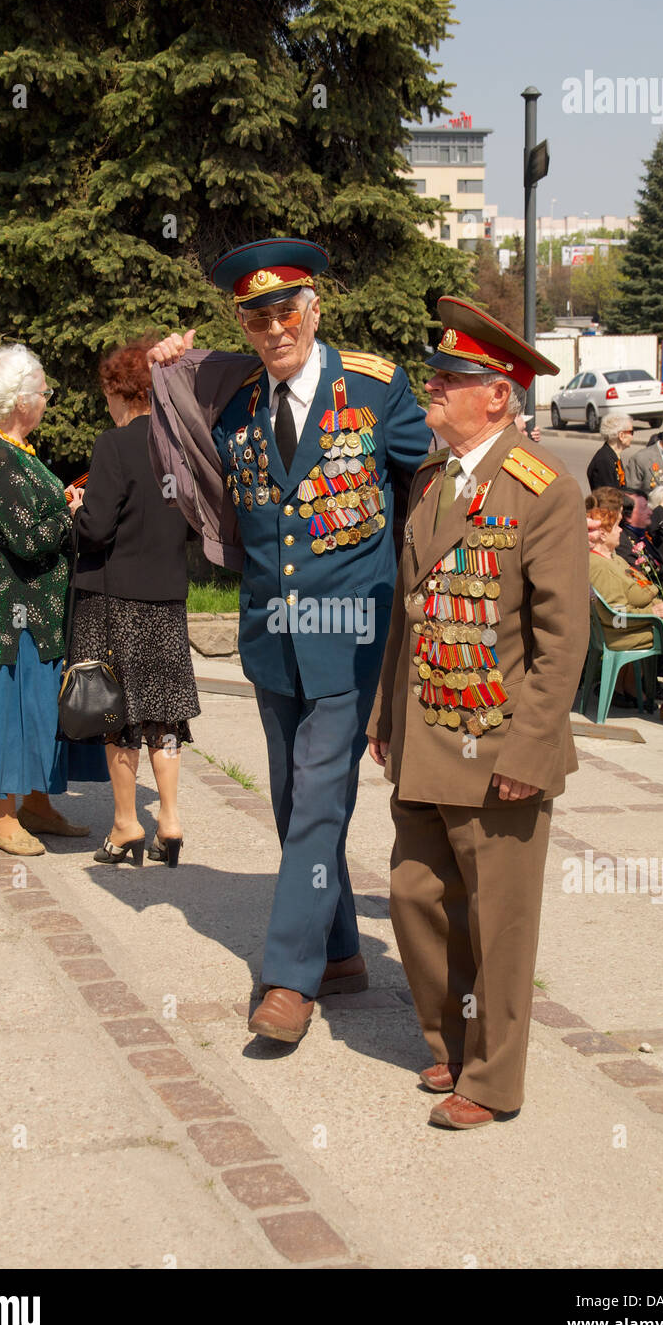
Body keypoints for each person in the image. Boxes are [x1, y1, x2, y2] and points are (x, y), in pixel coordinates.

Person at [147, 238, 431, 1043]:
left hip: (350, 637)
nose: (274, 330)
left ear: (314, 312)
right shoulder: (236, 400)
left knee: (316, 801)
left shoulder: (375, 391)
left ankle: (289, 978)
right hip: (272, 636)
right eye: (256, 317)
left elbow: (433, 489)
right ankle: (340, 950)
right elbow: (159, 387)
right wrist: (166, 354)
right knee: (290, 803)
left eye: (285, 313)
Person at [366, 296, 590, 1130]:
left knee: (498, 922)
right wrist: (385, 715)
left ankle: (492, 1081)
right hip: (425, 733)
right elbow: (408, 611)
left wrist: (530, 751)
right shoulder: (431, 478)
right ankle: (448, 1041)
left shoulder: (543, 489)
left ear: (496, 395)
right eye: (436, 374)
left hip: (498, 745)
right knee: (415, 896)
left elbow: (561, 640)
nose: (433, 387)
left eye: (449, 378)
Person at [0, 344, 92, 855]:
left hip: (36, 608)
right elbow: (28, 538)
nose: (48, 399)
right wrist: (71, 511)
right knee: (10, 704)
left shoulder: (12, 450)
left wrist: (63, 503)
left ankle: (35, 803)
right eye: (43, 391)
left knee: (37, 702)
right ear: (18, 400)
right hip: (12, 611)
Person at [69, 340, 200, 867]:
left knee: (116, 715)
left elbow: (97, 528)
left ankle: (127, 824)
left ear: (117, 391)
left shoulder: (115, 444)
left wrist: (77, 508)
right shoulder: (181, 447)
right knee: (164, 716)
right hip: (165, 597)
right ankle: (169, 819)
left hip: (113, 599)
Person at [588, 505, 663, 728]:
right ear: (603, 534)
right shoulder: (600, 566)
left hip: (635, 625)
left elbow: (638, 591)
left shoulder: (613, 559)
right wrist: (652, 613)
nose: (620, 531)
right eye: (616, 526)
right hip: (621, 634)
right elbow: (616, 617)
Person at [586, 412, 633, 490]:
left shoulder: (613, 455)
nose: (632, 436)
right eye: (631, 432)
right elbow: (609, 497)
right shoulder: (604, 461)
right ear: (621, 435)